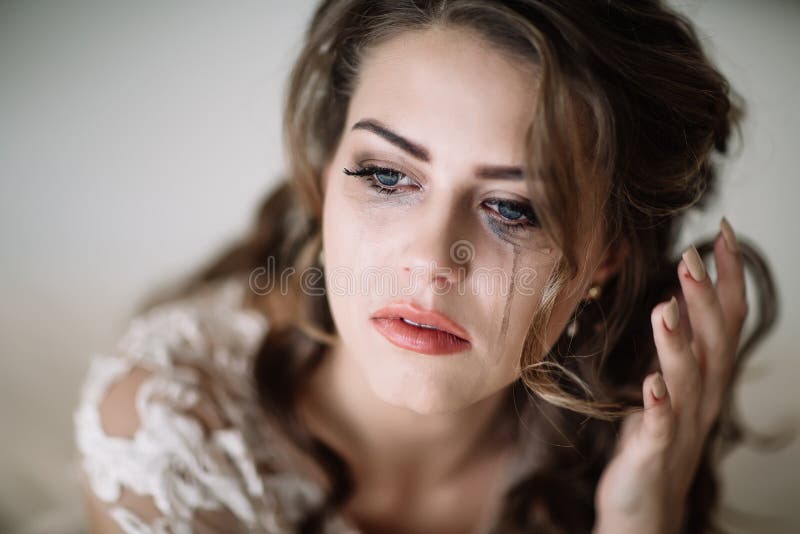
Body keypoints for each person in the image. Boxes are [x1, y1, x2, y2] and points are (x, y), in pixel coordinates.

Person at [73, 1, 780, 533]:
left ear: (604, 261)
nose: (431, 259)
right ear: (323, 187)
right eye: (385, 176)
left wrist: (639, 520)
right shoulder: (168, 434)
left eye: (514, 209)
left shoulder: (615, 446)